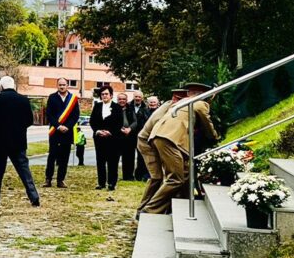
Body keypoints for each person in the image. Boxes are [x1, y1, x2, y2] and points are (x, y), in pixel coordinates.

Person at [140, 82, 220, 215]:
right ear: (202, 95)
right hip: (169, 139)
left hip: (162, 137)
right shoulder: (200, 104)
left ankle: (179, 203)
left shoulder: (182, 103)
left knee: (184, 172)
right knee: (176, 178)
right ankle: (149, 210)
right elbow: (207, 124)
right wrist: (215, 137)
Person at [0, 76, 39, 206]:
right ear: (13, 86)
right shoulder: (23, 100)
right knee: (24, 170)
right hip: (18, 140)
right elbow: (30, 120)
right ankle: (34, 196)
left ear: (1, 86)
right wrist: (18, 127)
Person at [43, 79, 80, 188]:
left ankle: (60, 180)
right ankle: (48, 179)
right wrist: (58, 126)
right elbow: (49, 114)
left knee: (65, 157)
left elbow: (75, 115)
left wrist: (67, 126)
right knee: (52, 156)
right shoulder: (52, 97)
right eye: (60, 85)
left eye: (64, 85)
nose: (62, 87)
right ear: (57, 85)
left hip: (67, 132)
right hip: (55, 131)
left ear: (67, 85)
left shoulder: (73, 99)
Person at [88, 88, 122, 191]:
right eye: (102, 94)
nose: (104, 96)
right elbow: (92, 121)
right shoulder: (97, 106)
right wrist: (97, 131)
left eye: (106, 94)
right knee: (100, 161)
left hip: (112, 138)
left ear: (111, 95)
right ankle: (101, 183)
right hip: (99, 138)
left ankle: (111, 183)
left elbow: (119, 123)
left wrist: (110, 132)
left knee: (112, 161)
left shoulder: (117, 107)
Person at [124, 90, 150, 181]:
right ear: (133, 97)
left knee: (141, 157)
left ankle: (139, 176)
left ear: (142, 98)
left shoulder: (146, 108)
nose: (137, 98)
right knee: (128, 156)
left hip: (141, 136)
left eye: (139, 97)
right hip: (129, 135)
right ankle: (128, 176)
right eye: (136, 97)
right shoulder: (128, 107)